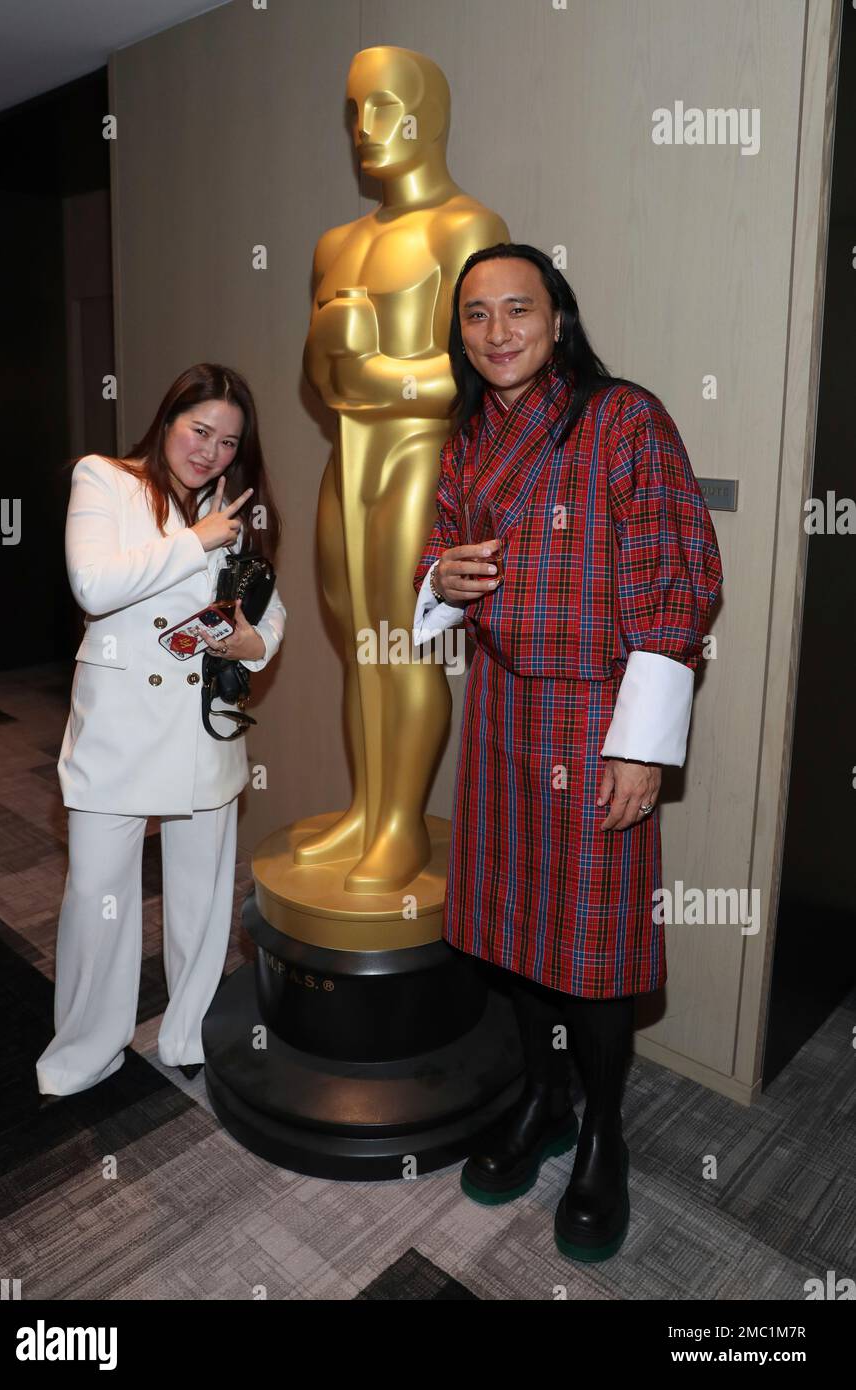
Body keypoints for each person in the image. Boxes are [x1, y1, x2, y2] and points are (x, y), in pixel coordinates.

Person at [412, 244, 723, 1262]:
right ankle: (541, 1095)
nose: (495, 332)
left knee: (590, 955)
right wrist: (441, 580)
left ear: (557, 320)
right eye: (474, 316)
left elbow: (679, 584)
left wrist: (639, 748)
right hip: (503, 712)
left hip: (596, 717)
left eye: (516, 310)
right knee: (510, 932)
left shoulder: (621, 417)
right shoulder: (465, 439)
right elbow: (437, 554)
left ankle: (601, 1135)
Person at [36, 363, 286, 1098]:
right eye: (199, 430)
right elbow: (94, 583)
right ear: (168, 420)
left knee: (202, 898)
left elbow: (266, 604)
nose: (209, 451)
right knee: (97, 896)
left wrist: (255, 643)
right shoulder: (106, 479)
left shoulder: (234, 511)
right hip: (119, 727)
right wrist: (199, 540)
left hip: (201, 725)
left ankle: (188, 1031)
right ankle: (84, 1049)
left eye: (226, 441)